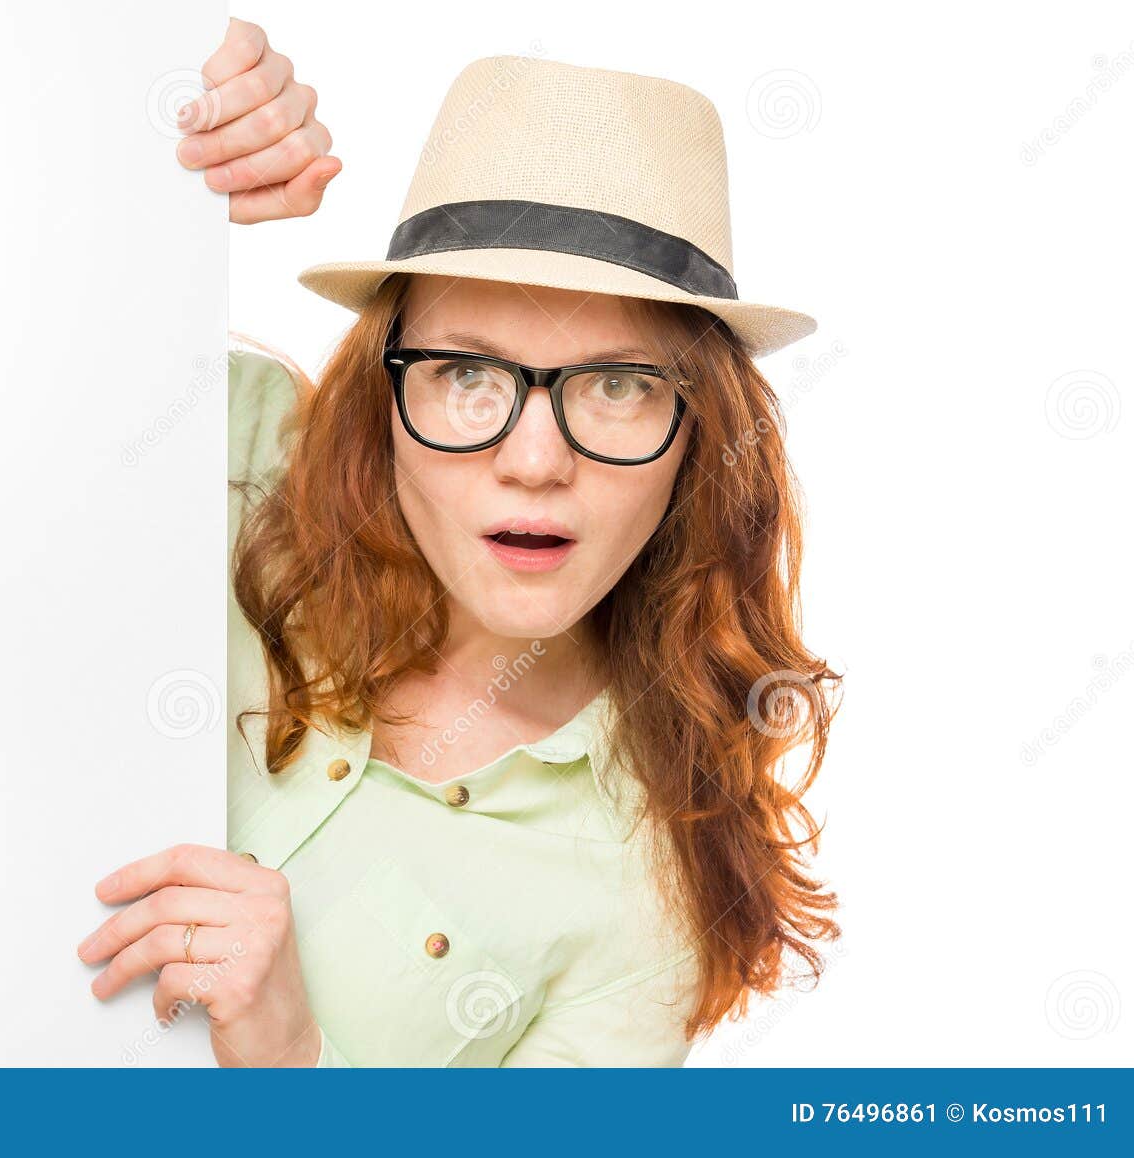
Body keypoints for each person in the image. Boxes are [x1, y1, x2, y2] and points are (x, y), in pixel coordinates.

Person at [78, 18, 842, 1067]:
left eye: (617, 385)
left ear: (698, 435)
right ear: (383, 385)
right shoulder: (224, 455)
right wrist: (160, 116)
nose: (533, 461)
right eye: (468, 374)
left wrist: (294, 1061)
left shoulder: (648, 900)